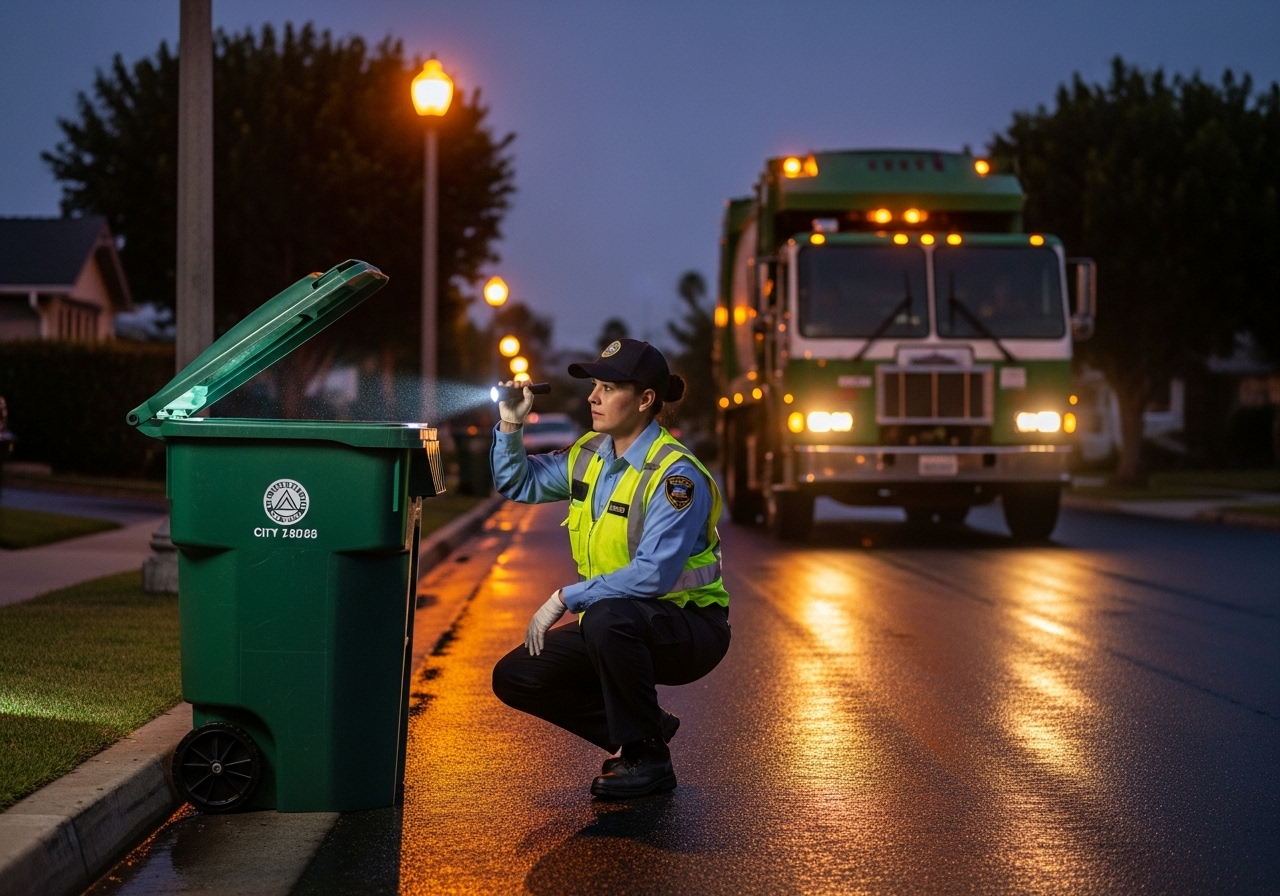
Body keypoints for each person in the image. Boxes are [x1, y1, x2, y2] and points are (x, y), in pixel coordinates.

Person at [490, 338, 731, 799]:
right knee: (517, 675)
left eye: (608, 387)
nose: (592, 398)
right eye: (594, 386)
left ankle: (647, 758)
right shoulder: (590, 455)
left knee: (605, 616)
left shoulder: (675, 476)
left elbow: (653, 576)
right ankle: (647, 723)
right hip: (617, 622)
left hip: (689, 628)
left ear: (645, 400)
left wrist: (565, 598)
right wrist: (509, 424)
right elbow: (517, 483)